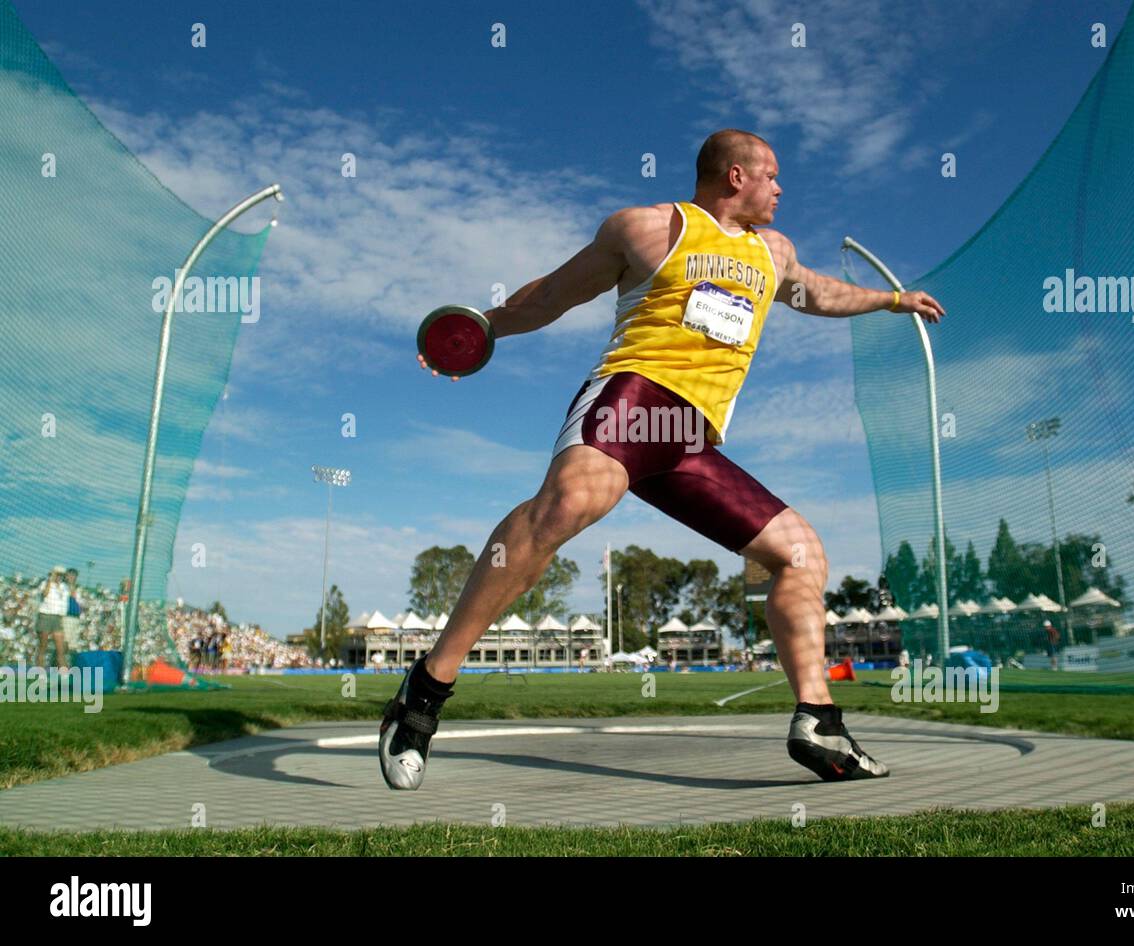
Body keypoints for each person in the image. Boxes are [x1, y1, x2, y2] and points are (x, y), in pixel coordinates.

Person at [381, 128, 946, 790]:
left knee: (800, 554)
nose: (781, 189)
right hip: (634, 400)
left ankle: (819, 720)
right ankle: (424, 692)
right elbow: (553, 293)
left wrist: (891, 300)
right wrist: (480, 327)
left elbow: (817, 293)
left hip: (689, 439)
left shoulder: (774, 251)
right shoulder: (647, 228)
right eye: (773, 176)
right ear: (736, 175)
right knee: (565, 508)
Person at [35, 566, 70, 668]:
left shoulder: (64, 587)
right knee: (43, 646)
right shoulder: (45, 584)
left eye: (61, 575)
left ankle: (63, 671)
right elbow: (44, 594)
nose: (59, 576)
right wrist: (50, 580)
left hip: (58, 618)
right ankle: (40, 671)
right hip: (45, 616)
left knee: (60, 647)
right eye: (57, 574)